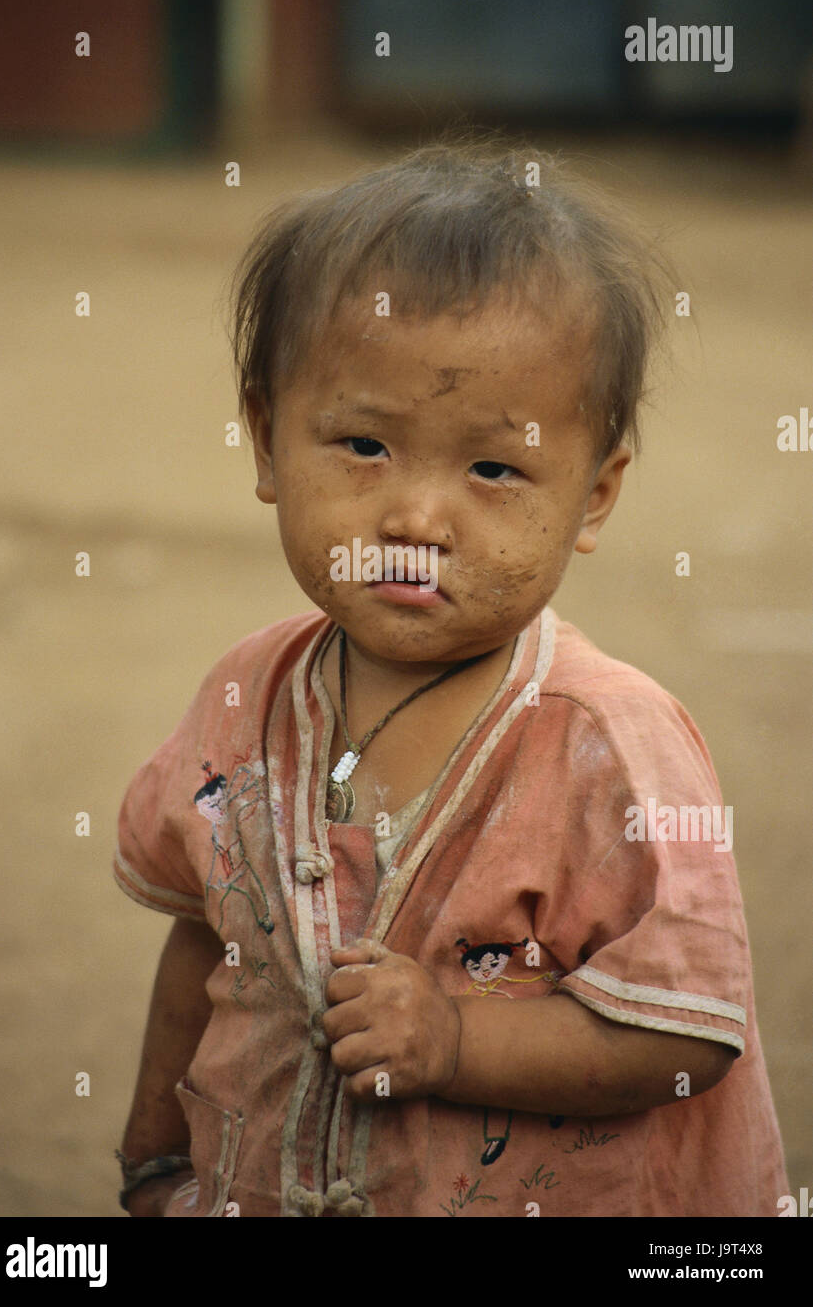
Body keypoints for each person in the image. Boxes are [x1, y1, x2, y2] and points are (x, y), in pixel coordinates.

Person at [113, 138, 788, 1217]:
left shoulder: (608, 742)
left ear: (594, 495)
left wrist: (456, 1035)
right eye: (363, 445)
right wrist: (154, 1158)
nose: (417, 518)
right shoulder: (243, 699)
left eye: (492, 468)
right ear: (266, 441)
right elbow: (205, 932)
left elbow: (681, 1031)